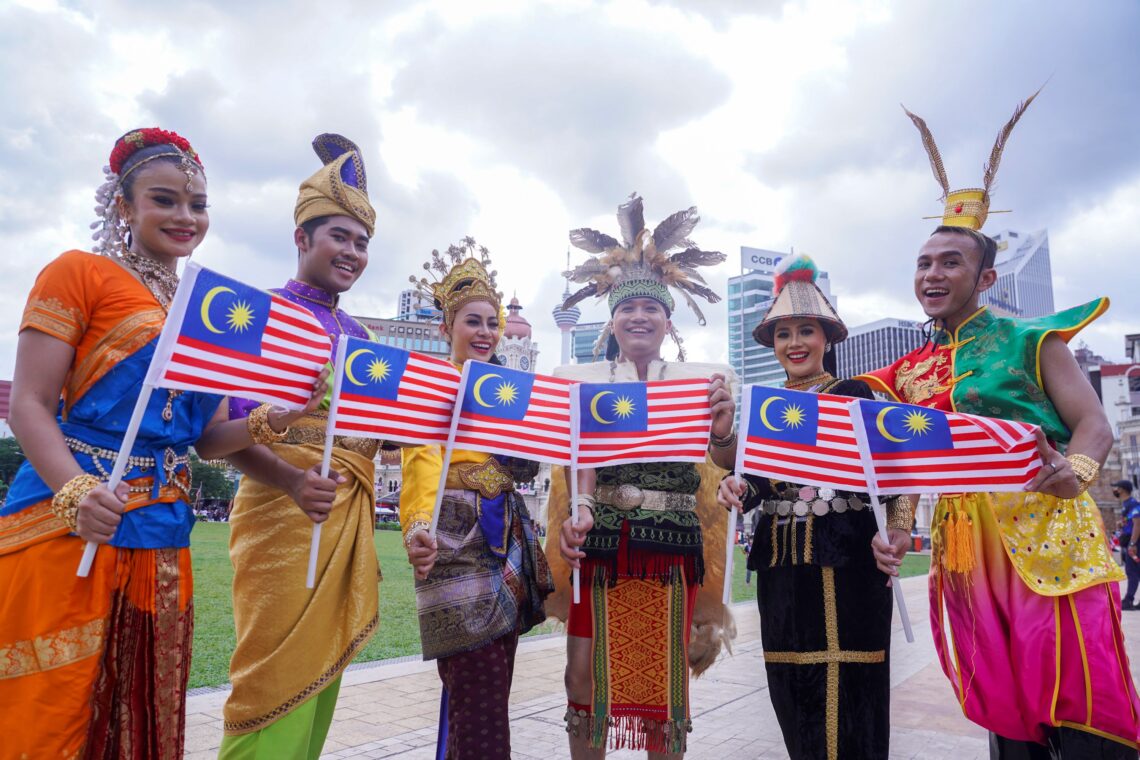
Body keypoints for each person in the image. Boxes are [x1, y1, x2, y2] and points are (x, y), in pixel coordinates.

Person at [0, 128, 324, 759]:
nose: (185, 216)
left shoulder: (207, 308)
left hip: (164, 539)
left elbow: (205, 439)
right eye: (164, 199)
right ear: (124, 205)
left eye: (197, 204)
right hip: (70, 524)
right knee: (51, 713)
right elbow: (29, 403)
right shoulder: (78, 273)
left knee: (143, 708)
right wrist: (76, 491)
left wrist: (280, 419)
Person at [863, 95, 1140, 758]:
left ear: (985, 277)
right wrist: (897, 528)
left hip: (1050, 532)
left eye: (950, 262)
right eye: (925, 263)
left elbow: (1093, 424)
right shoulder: (908, 371)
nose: (933, 273)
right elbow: (899, 462)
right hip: (965, 551)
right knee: (1007, 710)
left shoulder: (1031, 341)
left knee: (1083, 699)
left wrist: (1075, 472)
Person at [550, 194, 737, 758]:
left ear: (667, 321)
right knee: (581, 678)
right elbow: (575, 456)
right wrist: (580, 510)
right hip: (601, 544)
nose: (638, 317)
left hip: (670, 548)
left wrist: (722, 429)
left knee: (665, 686)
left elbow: (725, 464)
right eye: (627, 308)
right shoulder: (582, 382)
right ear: (612, 320)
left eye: (650, 309)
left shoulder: (701, 386)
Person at [219, 134, 382, 760]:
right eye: (339, 236)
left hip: (342, 520)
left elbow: (369, 437)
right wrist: (290, 480)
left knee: (320, 684)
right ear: (301, 238)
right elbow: (214, 438)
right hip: (279, 521)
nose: (352, 252)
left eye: (362, 242)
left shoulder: (360, 337)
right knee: (269, 684)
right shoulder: (258, 315)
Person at [717, 254, 910, 760]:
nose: (795, 342)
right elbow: (755, 484)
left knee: (854, 695)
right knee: (791, 691)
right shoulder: (763, 408)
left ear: (827, 338)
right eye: (784, 334)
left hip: (849, 567)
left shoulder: (853, 394)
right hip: (782, 569)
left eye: (806, 330)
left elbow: (898, 473)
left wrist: (897, 528)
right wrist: (733, 486)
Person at [399, 238, 553, 760]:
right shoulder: (431, 384)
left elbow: (525, 467)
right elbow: (421, 457)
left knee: (489, 692)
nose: (486, 332)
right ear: (446, 328)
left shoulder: (504, 392)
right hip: (455, 536)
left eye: (492, 323)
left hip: (504, 534)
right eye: (473, 321)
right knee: (479, 693)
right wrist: (418, 525)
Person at [1115, 480, 1140, 610]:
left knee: (1132, 571)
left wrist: (1132, 543)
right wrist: (1122, 523)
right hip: (1131, 541)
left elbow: (1137, 523)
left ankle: (1128, 600)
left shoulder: (1133, 503)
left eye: (1117, 487)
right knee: (1136, 571)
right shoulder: (1126, 504)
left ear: (1123, 489)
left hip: (1135, 543)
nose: (1115, 490)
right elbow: (1130, 521)